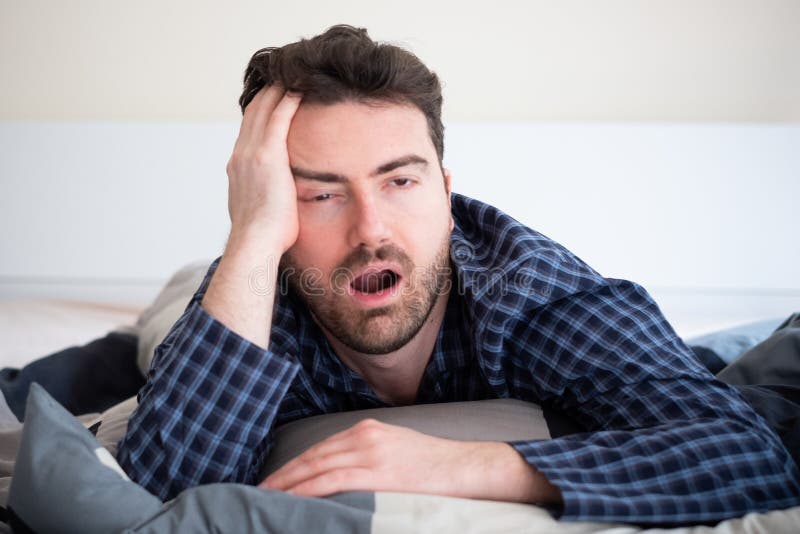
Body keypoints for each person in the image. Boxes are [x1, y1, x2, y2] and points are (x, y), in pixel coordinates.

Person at [117, 25, 800, 524]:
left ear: (447, 195)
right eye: (320, 194)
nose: (372, 230)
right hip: (250, 279)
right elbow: (152, 498)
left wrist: (466, 463)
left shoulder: (530, 290)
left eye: (400, 182)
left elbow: (747, 454)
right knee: (161, 327)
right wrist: (251, 240)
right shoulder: (258, 278)